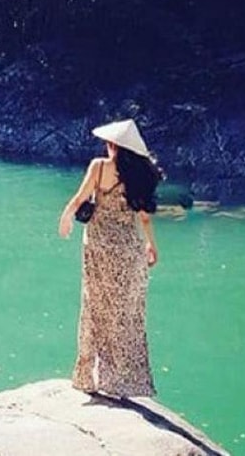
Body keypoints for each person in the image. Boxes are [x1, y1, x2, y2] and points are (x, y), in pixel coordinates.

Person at [57, 119, 163, 398]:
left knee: (94, 307)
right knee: (126, 316)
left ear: (113, 145)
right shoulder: (139, 176)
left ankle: (87, 376)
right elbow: (144, 217)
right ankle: (122, 381)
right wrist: (152, 246)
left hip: (99, 249)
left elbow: (80, 198)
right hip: (129, 252)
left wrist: (66, 218)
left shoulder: (99, 167)